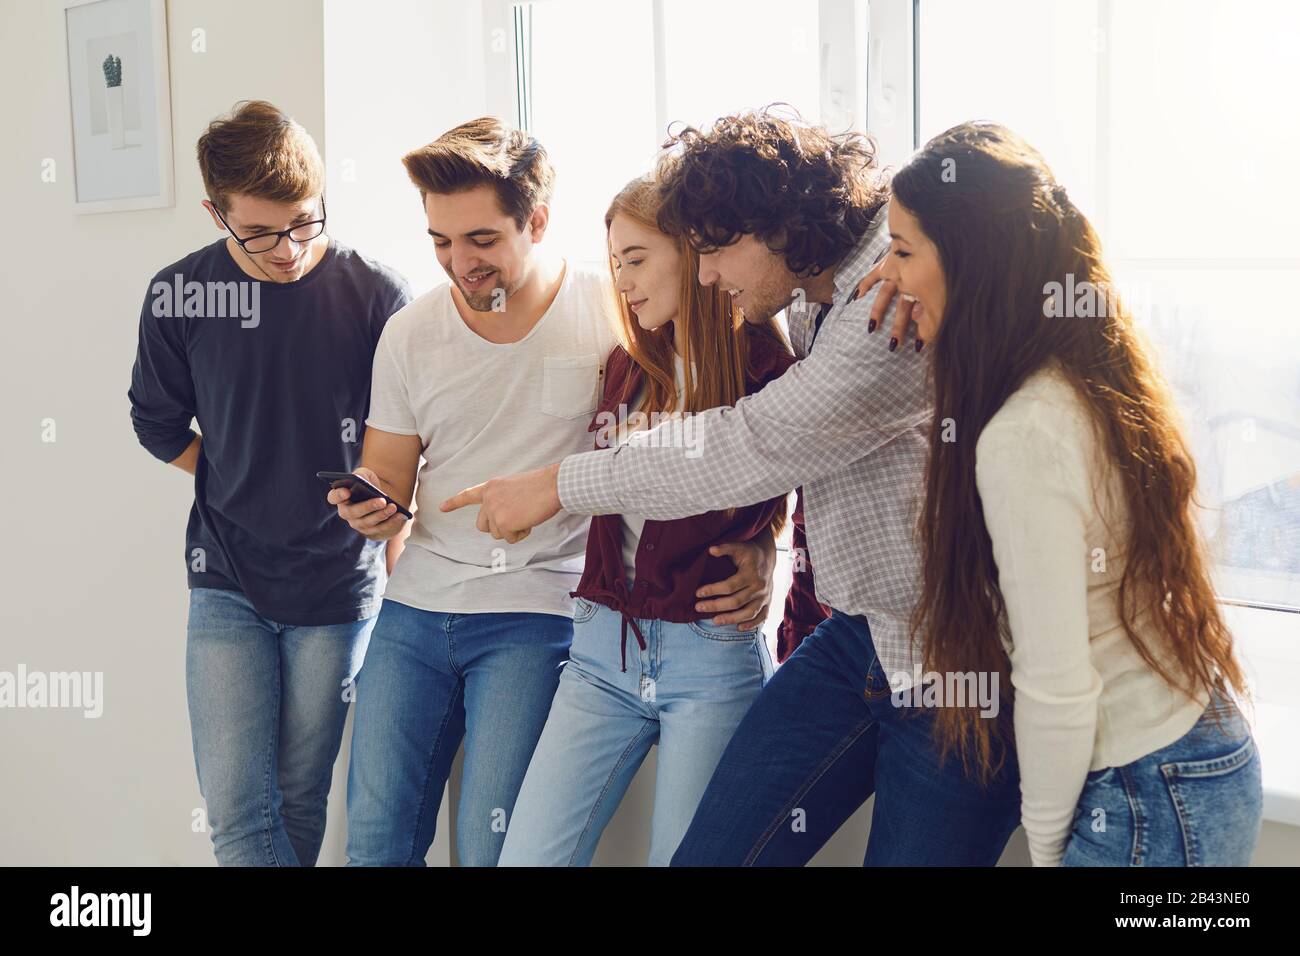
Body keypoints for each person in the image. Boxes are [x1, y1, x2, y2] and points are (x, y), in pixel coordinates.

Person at [443, 109, 1024, 866]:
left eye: (714, 251)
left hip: (954, 659)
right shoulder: (837, 290)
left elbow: (751, 443)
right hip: (857, 640)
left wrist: (557, 484)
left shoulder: (890, 310)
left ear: (781, 226)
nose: (706, 274)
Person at [334, 119, 779, 867]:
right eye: (440, 241)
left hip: (545, 610)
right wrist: (371, 501)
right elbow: (389, 476)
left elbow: (731, 450)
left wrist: (767, 543)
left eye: (480, 240)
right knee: (375, 841)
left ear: (536, 221)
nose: (457, 263)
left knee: (489, 846)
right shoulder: (414, 333)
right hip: (439, 609)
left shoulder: (615, 315)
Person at [864, 120, 1262, 866]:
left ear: (973, 263)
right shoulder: (1087, 377)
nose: (886, 271)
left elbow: (1057, 685)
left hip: (1150, 791)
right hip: (1203, 754)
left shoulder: (1023, 438)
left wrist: (1047, 846)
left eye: (904, 249)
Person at [498, 173, 824, 866]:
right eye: (614, 263)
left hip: (709, 656)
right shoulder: (625, 366)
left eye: (637, 259)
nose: (622, 281)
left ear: (692, 255)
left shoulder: (769, 369)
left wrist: (769, 549)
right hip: (599, 654)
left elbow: (803, 490)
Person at [127, 100, 411, 866]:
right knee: (237, 816)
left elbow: (417, 442)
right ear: (214, 213)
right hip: (226, 581)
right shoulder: (179, 295)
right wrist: (233, 473)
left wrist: (392, 512)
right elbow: (156, 424)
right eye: (258, 232)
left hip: (336, 589)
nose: (287, 250)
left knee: (296, 803)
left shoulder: (380, 296)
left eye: (305, 222)